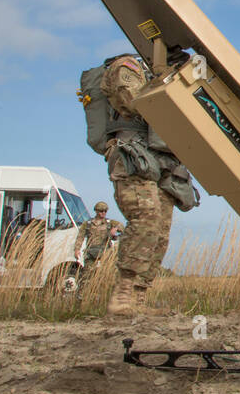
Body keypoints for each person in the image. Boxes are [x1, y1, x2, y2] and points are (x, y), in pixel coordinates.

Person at [97, 55, 198, 316]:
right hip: (132, 157)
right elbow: (131, 102)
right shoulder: (127, 65)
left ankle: (139, 299)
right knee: (146, 218)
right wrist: (166, 90)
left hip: (159, 162)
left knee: (161, 231)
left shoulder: (160, 75)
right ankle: (122, 295)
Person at [73, 201, 123, 276]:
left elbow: (122, 227)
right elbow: (80, 237)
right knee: (87, 276)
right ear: (96, 211)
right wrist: (77, 250)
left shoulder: (110, 223)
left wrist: (115, 228)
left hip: (106, 253)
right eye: (101, 211)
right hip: (91, 254)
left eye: (105, 211)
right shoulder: (87, 224)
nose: (104, 213)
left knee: (105, 275)